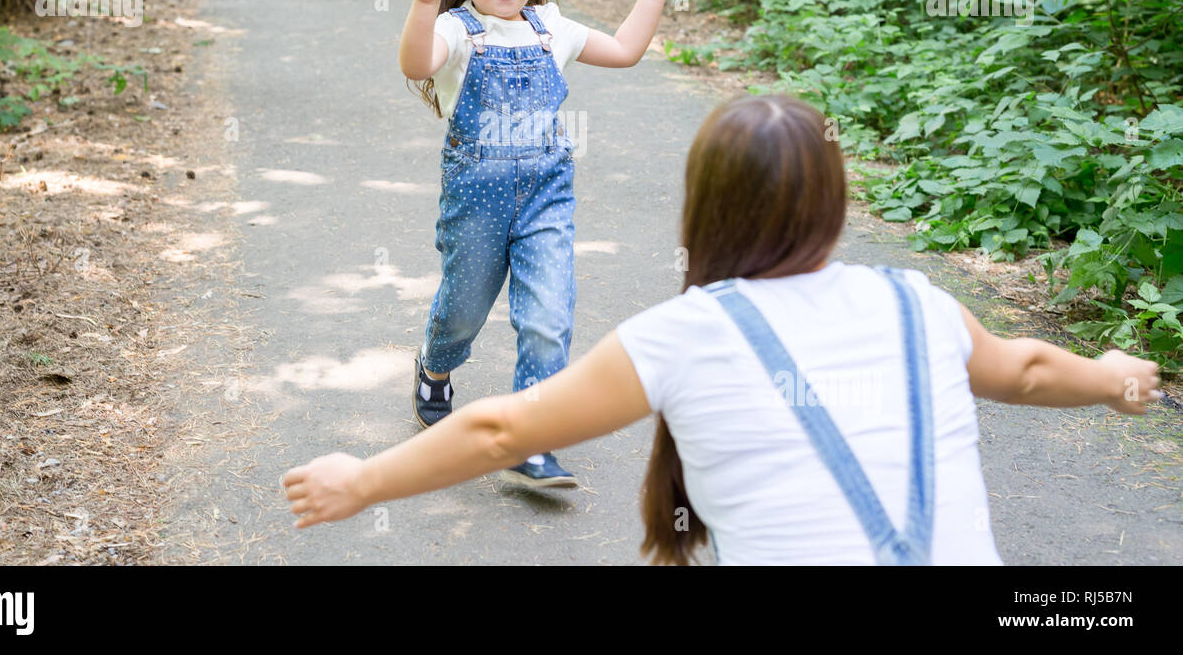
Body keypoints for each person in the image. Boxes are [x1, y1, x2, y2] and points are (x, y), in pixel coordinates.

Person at [282, 94, 1163, 564]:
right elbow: (1034, 370)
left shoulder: (684, 333)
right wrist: (1118, 376)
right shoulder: (916, 302)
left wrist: (361, 480)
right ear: (836, 201)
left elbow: (500, 427)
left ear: (700, 206)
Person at [392, 0, 694, 487]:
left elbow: (627, 51)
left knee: (548, 318)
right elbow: (414, 64)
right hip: (475, 198)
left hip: (545, 198)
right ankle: (435, 368)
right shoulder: (455, 30)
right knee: (462, 309)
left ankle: (529, 439)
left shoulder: (550, 27)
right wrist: (424, 4)